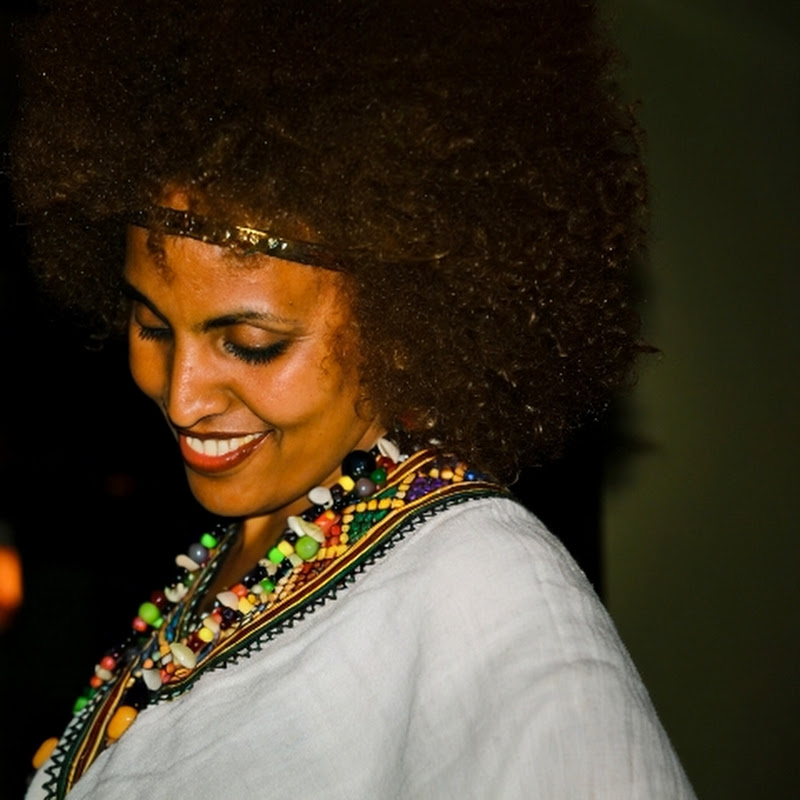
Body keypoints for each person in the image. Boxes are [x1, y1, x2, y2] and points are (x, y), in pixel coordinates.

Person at [11, 1, 696, 797]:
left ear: (403, 328)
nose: (182, 395)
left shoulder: (485, 586)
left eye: (252, 343)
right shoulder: (237, 553)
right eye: (153, 325)